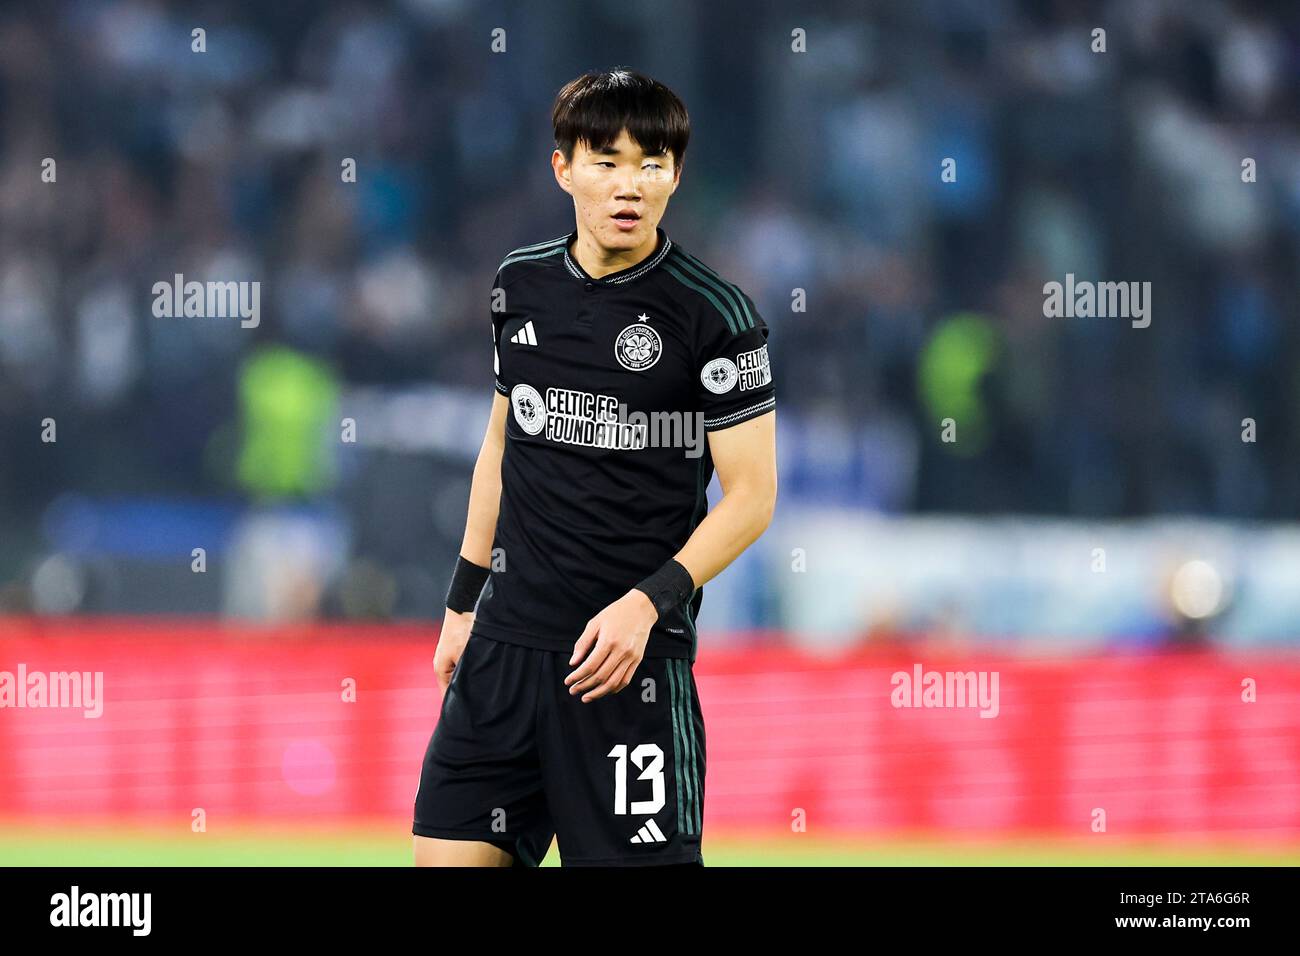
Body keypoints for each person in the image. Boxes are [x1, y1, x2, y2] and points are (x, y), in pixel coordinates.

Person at [412, 68, 777, 866]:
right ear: (564, 168)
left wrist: (648, 605)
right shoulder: (520, 284)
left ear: (675, 176)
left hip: (625, 668)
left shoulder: (714, 315)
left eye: (651, 164)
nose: (629, 185)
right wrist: (463, 602)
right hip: (503, 652)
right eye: (606, 161)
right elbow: (501, 448)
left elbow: (752, 498)